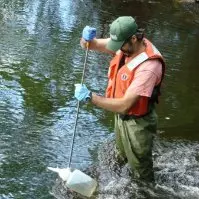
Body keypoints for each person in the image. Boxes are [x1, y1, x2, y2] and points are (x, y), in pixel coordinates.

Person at [74, 16, 165, 182]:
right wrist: (85, 39)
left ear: (134, 38)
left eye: (120, 45)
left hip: (138, 123)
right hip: (121, 117)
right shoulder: (125, 42)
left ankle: (147, 192)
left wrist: (90, 97)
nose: (118, 50)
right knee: (121, 155)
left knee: (141, 171)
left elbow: (125, 105)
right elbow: (90, 45)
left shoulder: (149, 67)